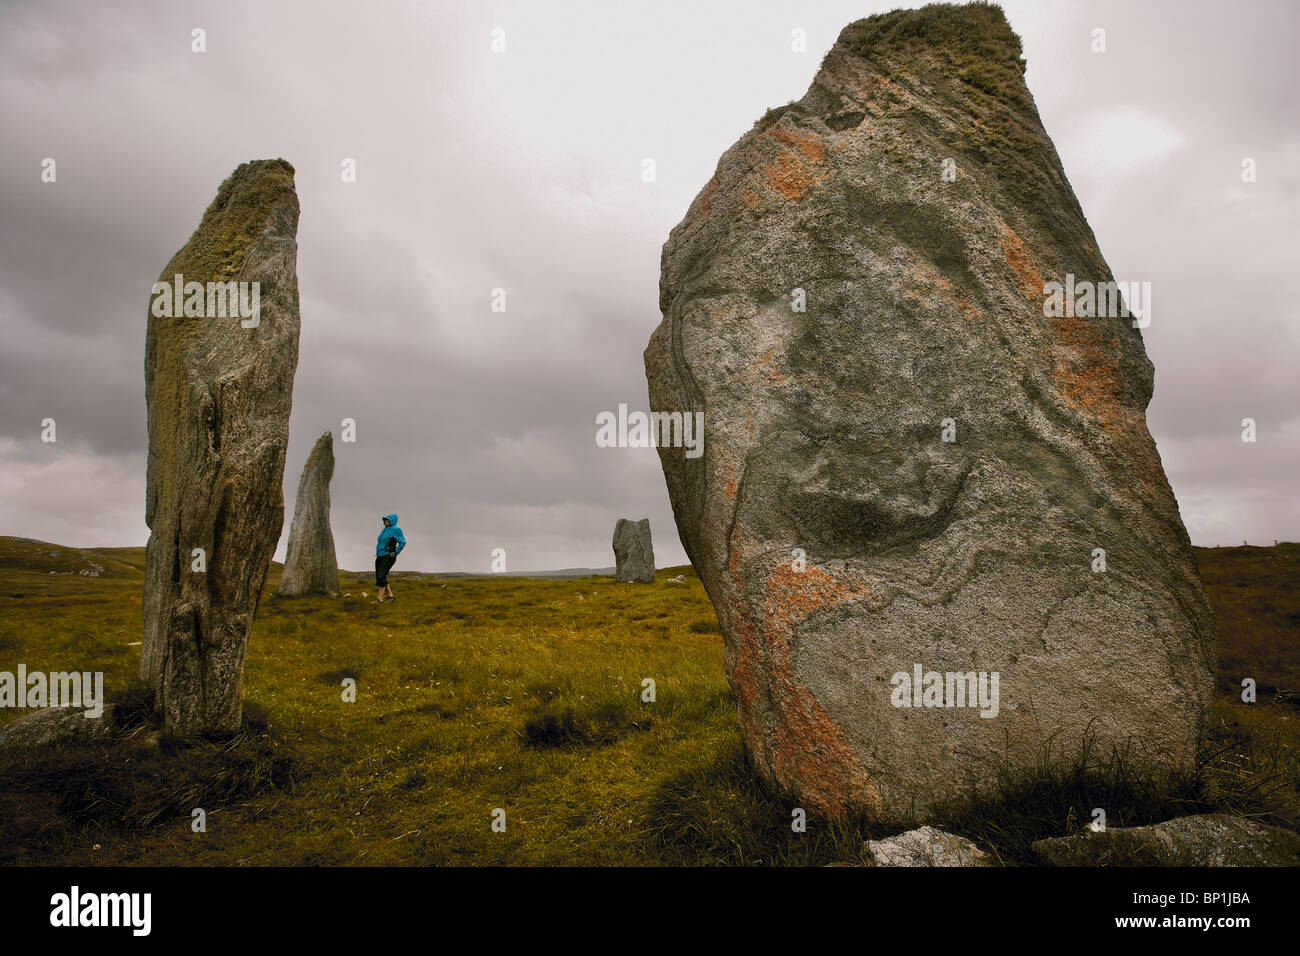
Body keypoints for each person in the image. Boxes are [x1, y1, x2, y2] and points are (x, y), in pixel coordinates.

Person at [374, 513, 405, 603]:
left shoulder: (396, 529)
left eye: (387, 520)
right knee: (380, 576)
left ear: (392, 520)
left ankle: (379, 599)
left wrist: (395, 552)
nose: (385, 521)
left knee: (381, 576)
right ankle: (390, 596)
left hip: (388, 556)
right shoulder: (384, 529)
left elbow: (402, 542)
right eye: (384, 520)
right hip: (380, 555)